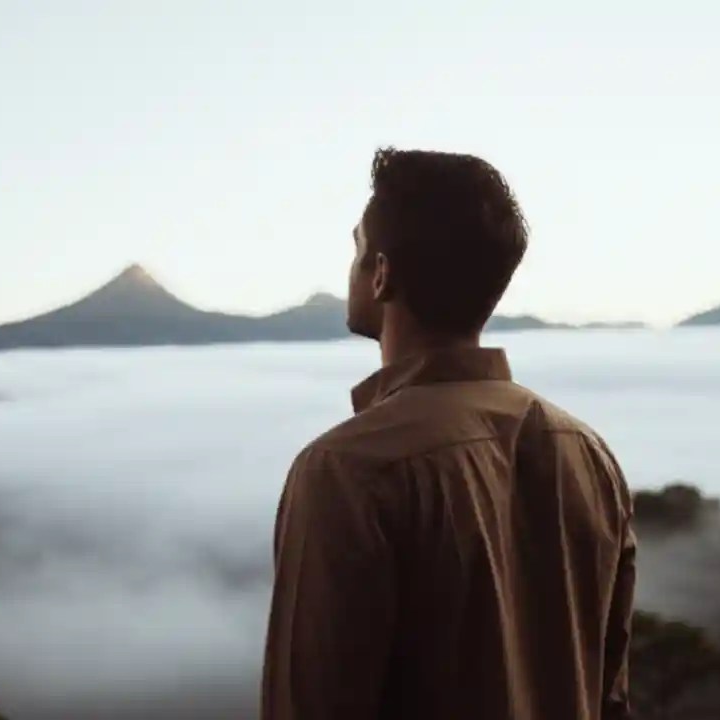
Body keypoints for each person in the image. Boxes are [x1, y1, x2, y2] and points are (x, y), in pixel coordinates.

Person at [260, 148, 637, 720]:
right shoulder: (588, 454)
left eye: (358, 250)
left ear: (381, 274)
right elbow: (610, 694)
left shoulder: (348, 467)